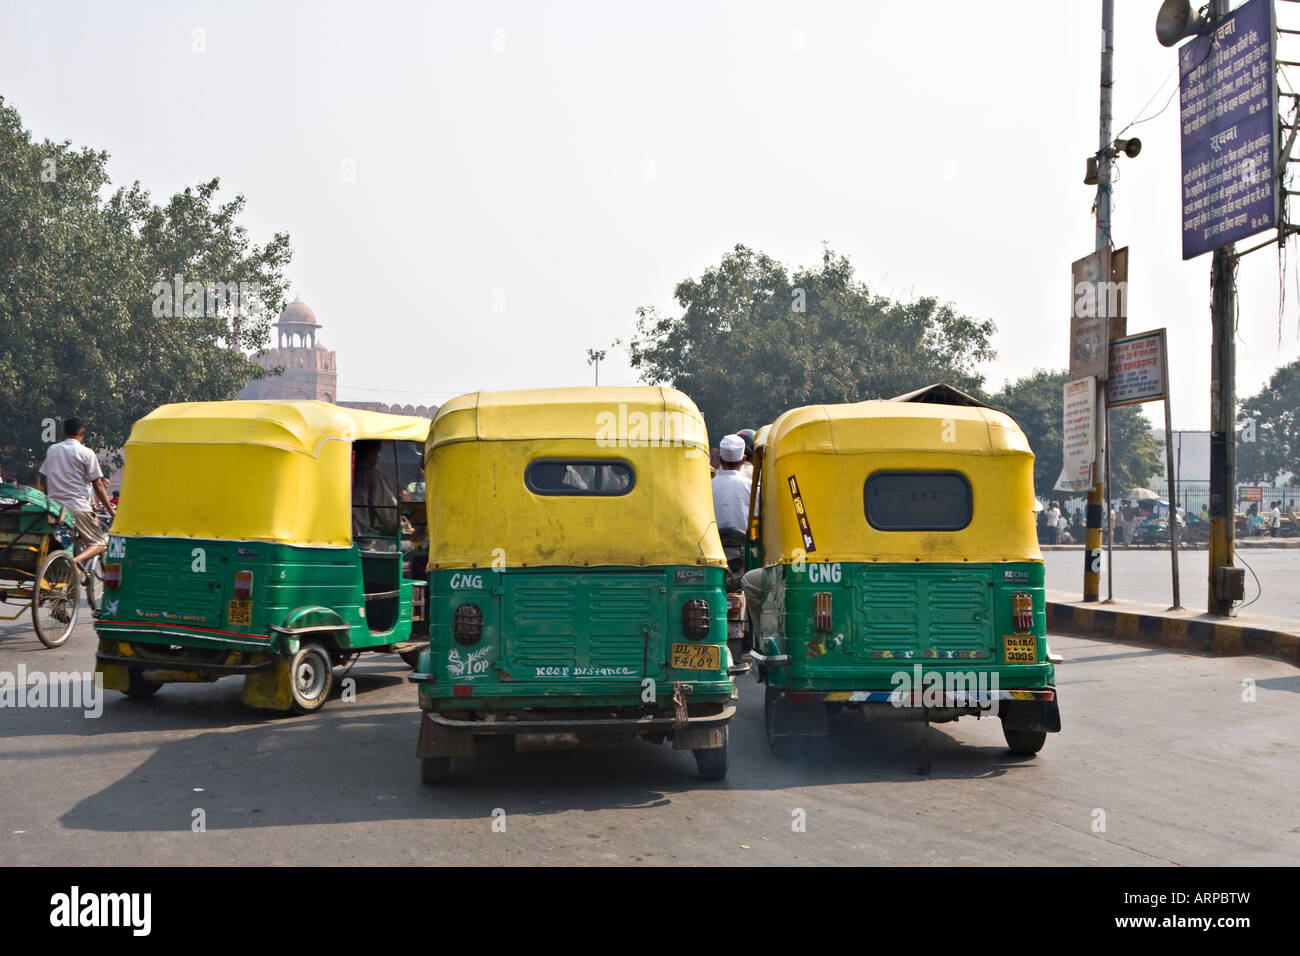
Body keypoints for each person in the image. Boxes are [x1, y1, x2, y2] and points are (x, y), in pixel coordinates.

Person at [39, 417, 115, 569]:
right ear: (82, 433)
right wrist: (111, 510)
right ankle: (76, 561)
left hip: (54, 509)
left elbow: (44, 476)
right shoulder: (86, 453)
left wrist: (50, 496)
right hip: (78, 508)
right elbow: (98, 485)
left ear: (63, 431)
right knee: (99, 542)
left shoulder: (52, 450)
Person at [352, 440, 404, 549]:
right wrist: (407, 529)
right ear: (369, 452)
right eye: (377, 452)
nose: (378, 457)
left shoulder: (343, 472)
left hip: (348, 539)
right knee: (407, 547)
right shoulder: (371, 474)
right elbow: (390, 515)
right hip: (363, 542)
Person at [711, 435, 751, 536]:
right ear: (743, 459)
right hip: (744, 548)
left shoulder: (707, 485)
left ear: (720, 459)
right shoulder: (753, 487)